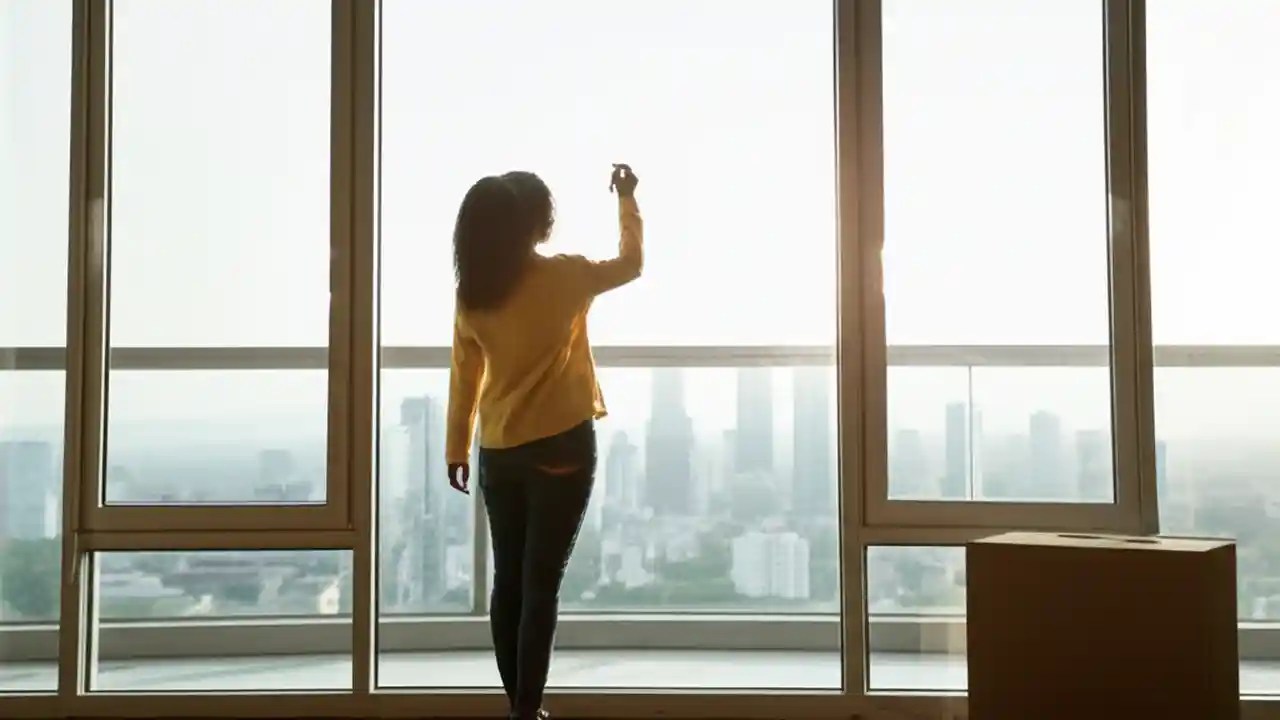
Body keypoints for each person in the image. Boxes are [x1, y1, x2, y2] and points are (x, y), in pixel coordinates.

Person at [445, 164, 642, 720]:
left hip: (499, 451)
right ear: (535, 225)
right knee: (540, 586)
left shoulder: (473, 296)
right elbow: (631, 264)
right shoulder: (566, 276)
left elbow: (464, 377)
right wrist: (627, 200)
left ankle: (520, 708)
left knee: (507, 582)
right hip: (562, 449)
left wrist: (456, 448)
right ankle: (526, 712)